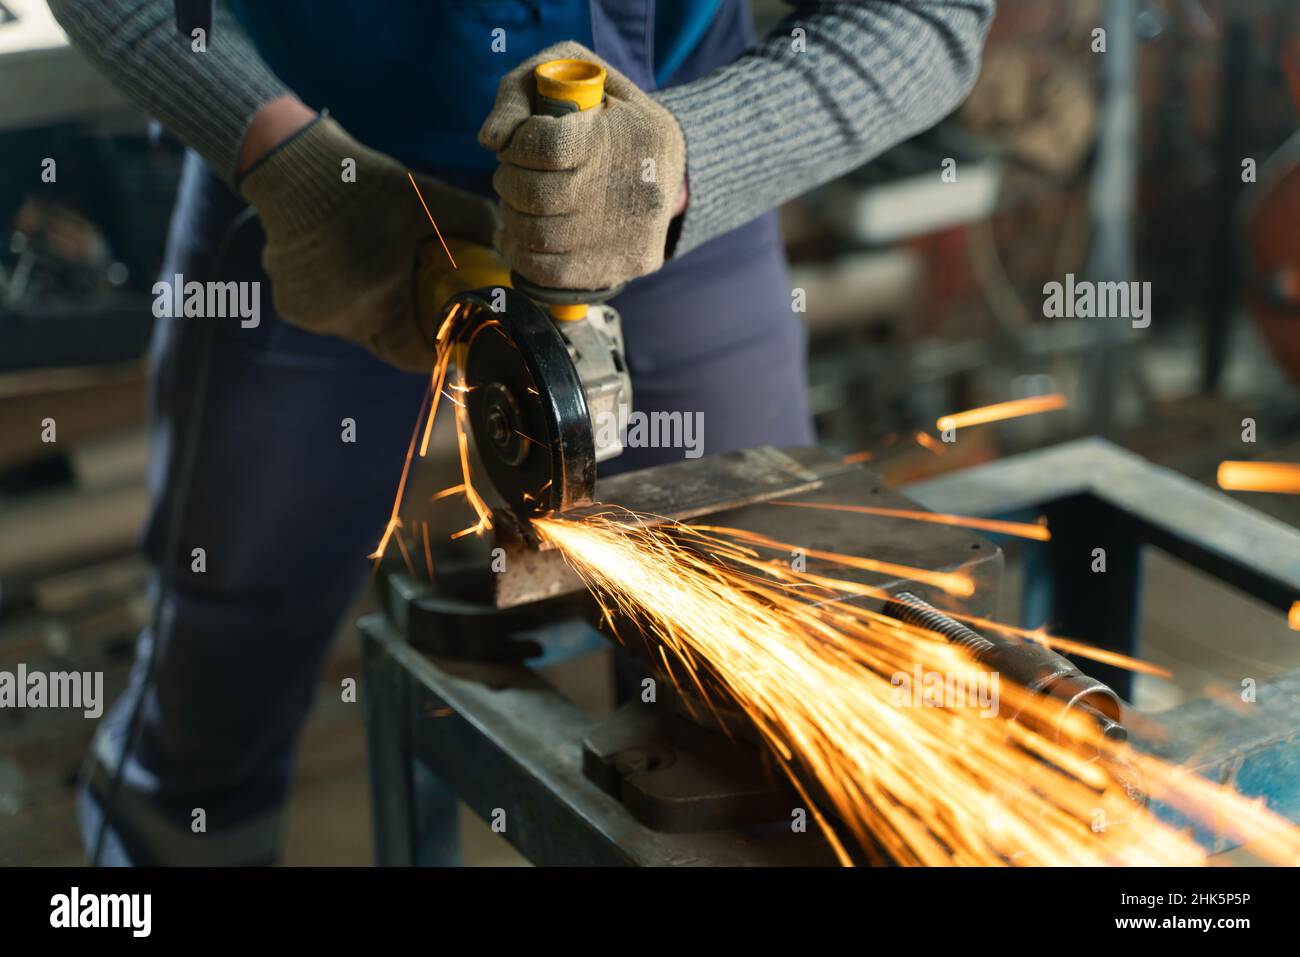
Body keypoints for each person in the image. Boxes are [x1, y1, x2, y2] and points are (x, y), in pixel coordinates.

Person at [48, 0, 993, 865]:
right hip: (305, 172)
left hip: (669, 171)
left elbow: (930, 14)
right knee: (219, 669)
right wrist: (275, 154)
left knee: (755, 680)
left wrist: (690, 158)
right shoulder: (293, 165)